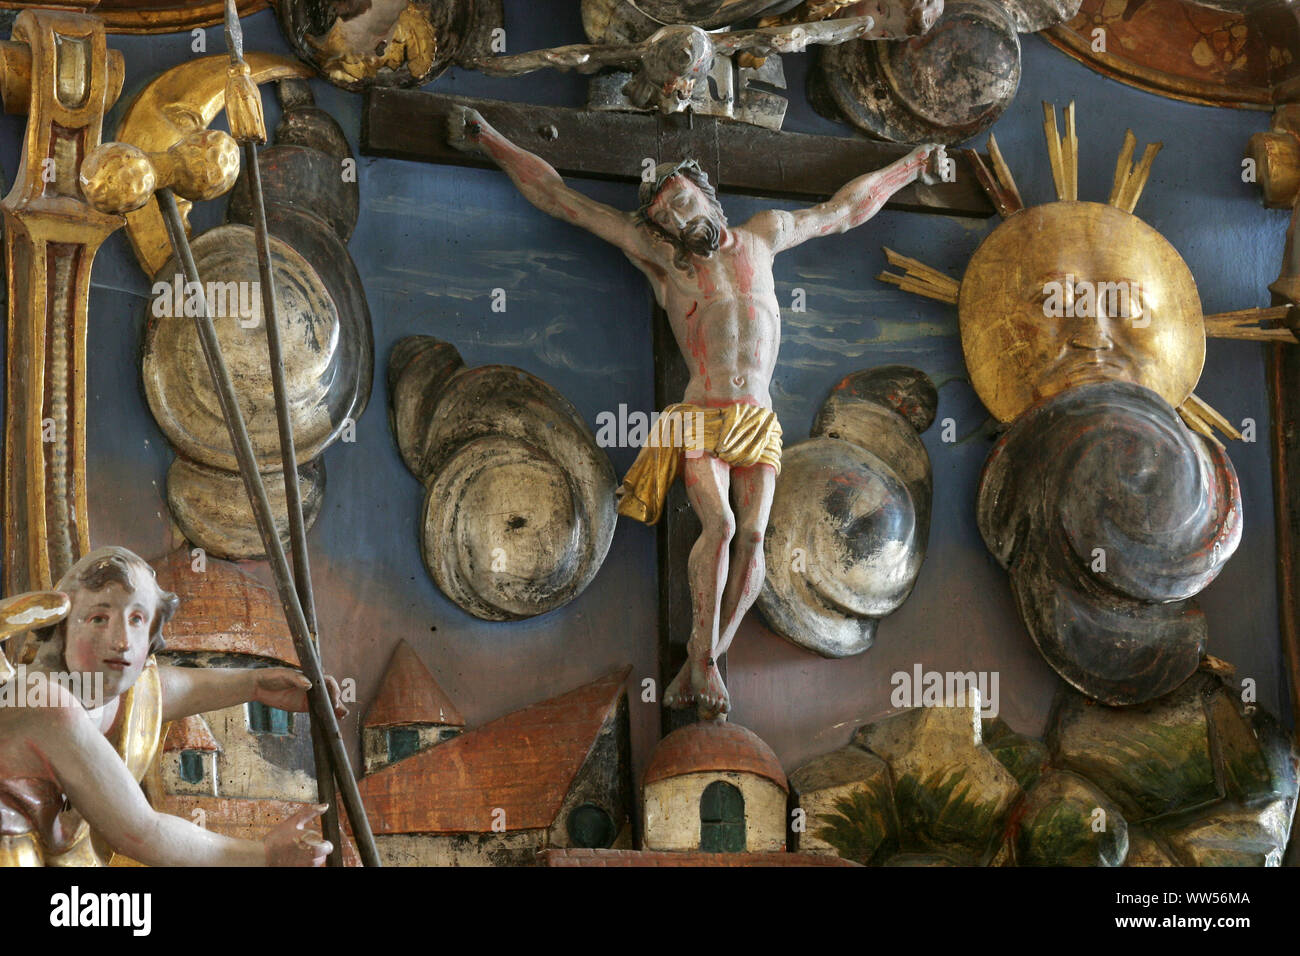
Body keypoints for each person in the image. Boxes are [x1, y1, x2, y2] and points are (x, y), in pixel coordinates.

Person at [449, 105, 944, 718]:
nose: (681, 217)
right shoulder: (666, 265)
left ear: (707, 195)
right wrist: (493, 139)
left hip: (756, 419)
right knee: (724, 527)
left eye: (684, 200)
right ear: (660, 230)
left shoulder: (764, 235)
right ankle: (701, 655)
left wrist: (912, 163)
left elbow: (843, 211)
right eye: (668, 216)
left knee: (757, 535)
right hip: (700, 415)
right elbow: (561, 199)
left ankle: (706, 659)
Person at [0, 546, 345, 866]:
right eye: (99, 619)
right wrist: (265, 855)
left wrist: (257, 684)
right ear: (63, 628)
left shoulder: (99, 689)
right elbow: (141, 833)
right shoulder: (44, 700)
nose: (121, 642)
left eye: (137, 620)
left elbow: (167, 689)